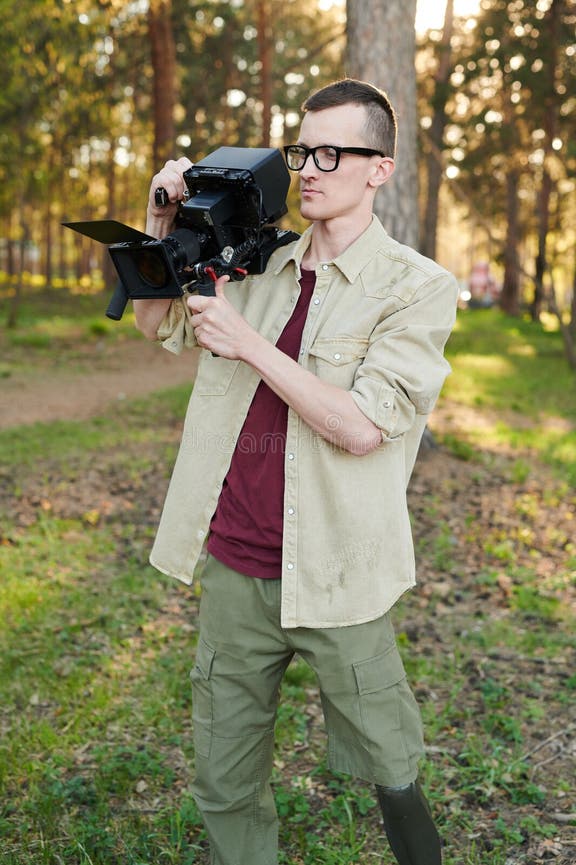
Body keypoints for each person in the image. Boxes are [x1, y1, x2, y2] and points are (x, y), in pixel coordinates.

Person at [134, 78, 459, 865]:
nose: (307, 168)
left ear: (379, 168)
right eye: (299, 150)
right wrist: (160, 219)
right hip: (235, 563)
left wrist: (248, 344)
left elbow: (360, 427)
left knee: (390, 757)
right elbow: (156, 322)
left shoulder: (418, 288)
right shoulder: (260, 263)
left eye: (330, 152)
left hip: (339, 568)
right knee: (224, 773)